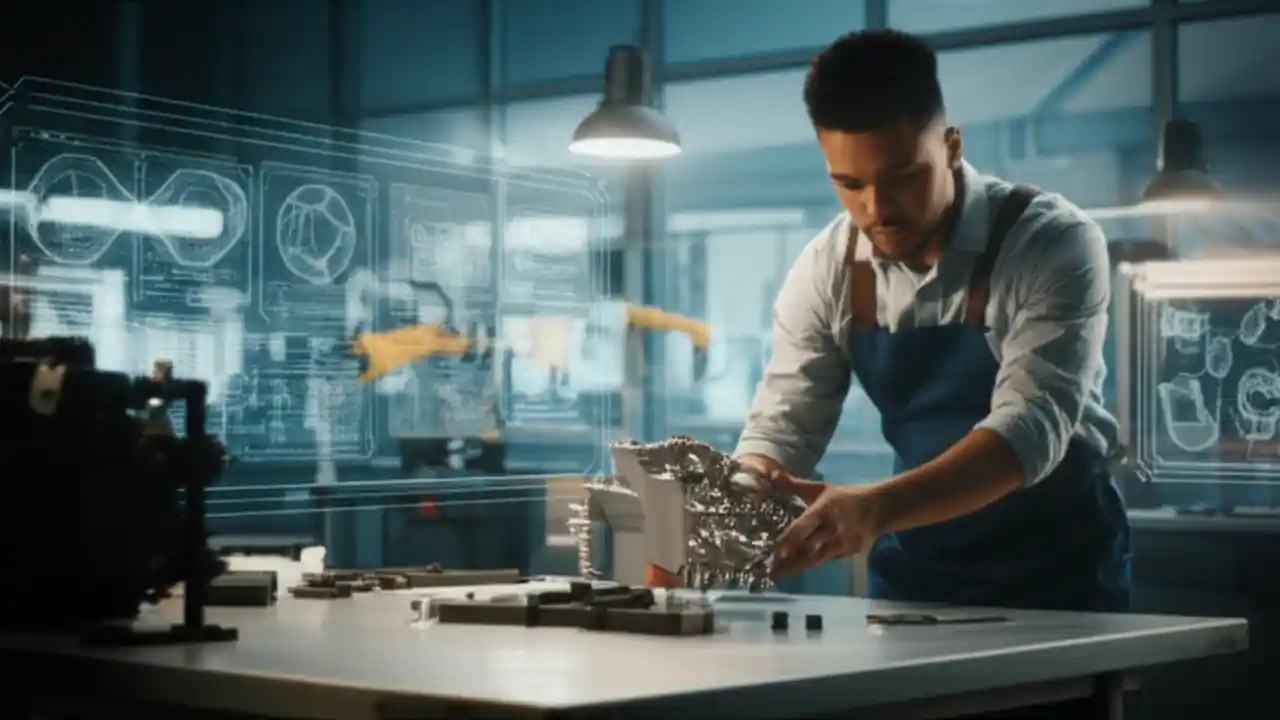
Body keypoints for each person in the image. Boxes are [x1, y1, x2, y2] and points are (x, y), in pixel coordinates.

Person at [736, 29, 1131, 612]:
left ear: (950, 146)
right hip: (915, 578)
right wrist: (728, 505)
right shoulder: (827, 269)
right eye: (850, 185)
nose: (876, 209)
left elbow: (1030, 425)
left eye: (902, 177)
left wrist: (872, 507)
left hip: (1059, 574)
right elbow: (783, 430)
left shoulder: (1052, 241)